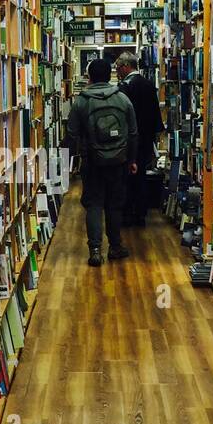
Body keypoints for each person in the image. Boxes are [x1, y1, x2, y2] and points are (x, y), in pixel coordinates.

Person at [67, 57, 137, 267]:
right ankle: (115, 246)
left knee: (94, 205)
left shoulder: (82, 101)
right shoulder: (123, 99)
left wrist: (70, 162)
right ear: (110, 75)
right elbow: (133, 133)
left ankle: (95, 250)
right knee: (114, 206)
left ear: (89, 77)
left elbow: (72, 133)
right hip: (119, 161)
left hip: (92, 162)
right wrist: (132, 159)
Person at [116, 52, 164, 226]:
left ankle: (128, 212)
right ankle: (141, 213)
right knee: (141, 173)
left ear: (125, 66)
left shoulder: (125, 86)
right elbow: (155, 114)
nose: (118, 72)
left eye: (118, 68)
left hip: (129, 138)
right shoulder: (149, 84)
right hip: (146, 138)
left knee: (127, 176)